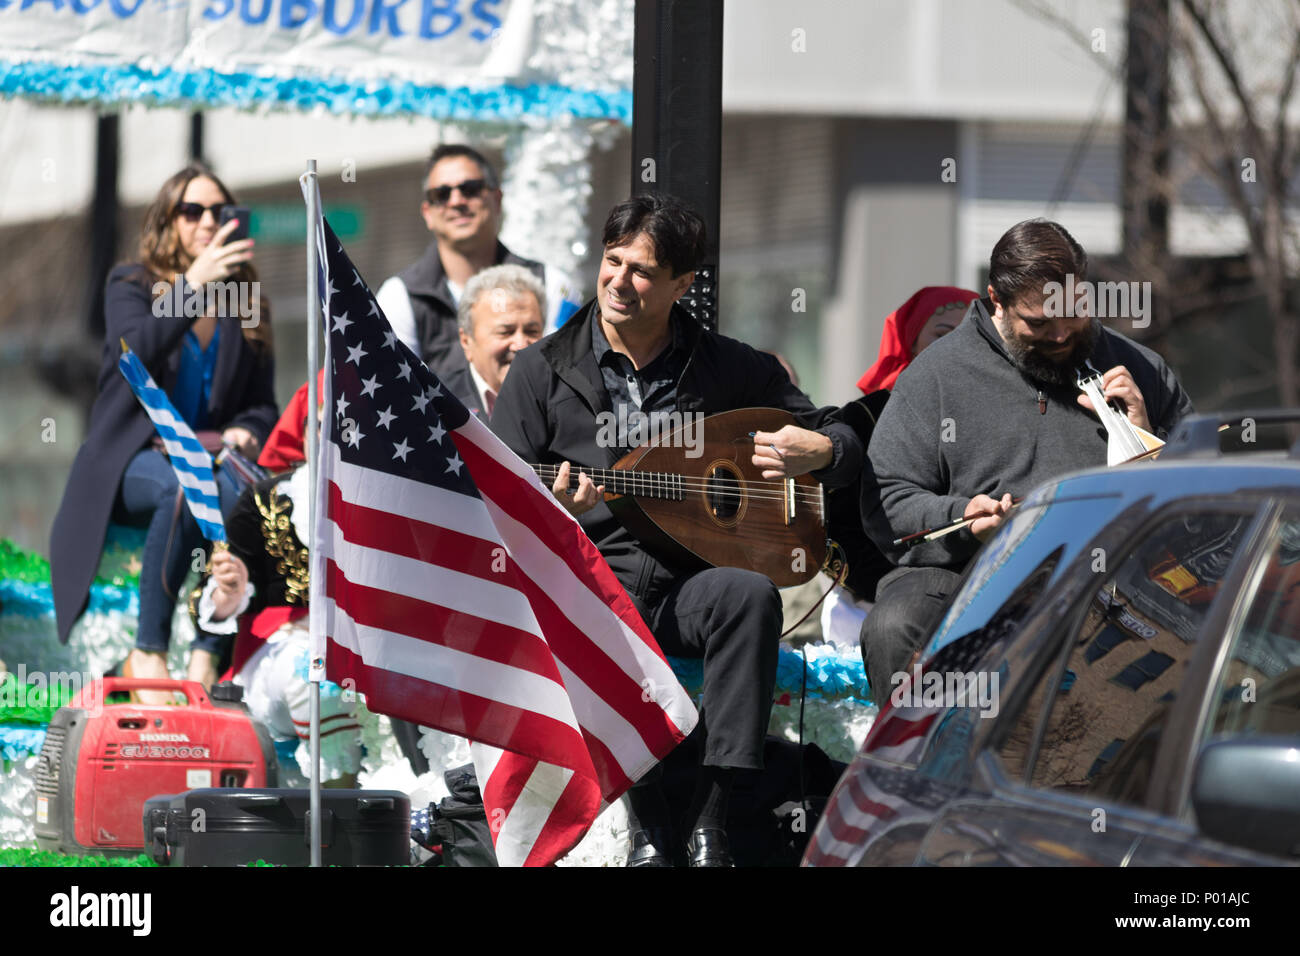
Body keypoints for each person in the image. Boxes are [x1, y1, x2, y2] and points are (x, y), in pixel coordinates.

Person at [490, 194, 863, 866]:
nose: (619, 281)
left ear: (682, 285)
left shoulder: (726, 367)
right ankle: (645, 826)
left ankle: (713, 823)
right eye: (613, 262)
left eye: (641, 271)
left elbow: (835, 430)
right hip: (596, 578)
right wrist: (555, 515)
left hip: (691, 577)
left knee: (749, 596)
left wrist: (824, 450)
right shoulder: (542, 370)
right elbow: (496, 496)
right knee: (600, 604)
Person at [858, 219, 1195, 704]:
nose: (1060, 335)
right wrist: (964, 519)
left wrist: (1147, 439)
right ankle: (917, 769)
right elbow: (887, 498)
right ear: (997, 299)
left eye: (1074, 314)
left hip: (1109, 577)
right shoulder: (935, 375)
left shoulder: (1139, 369)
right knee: (898, 620)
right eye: (1038, 323)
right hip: (967, 575)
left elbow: (1207, 499)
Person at [50, 163, 277, 696]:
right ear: (168, 220)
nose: (205, 221)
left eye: (219, 211)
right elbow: (134, 355)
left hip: (213, 460)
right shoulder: (129, 284)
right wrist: (193, 286)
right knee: (181, 486)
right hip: (134, 460)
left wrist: (245, 428)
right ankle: (148, 654)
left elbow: (261, 404)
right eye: (191, 210)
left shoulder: (248, 303)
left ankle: (205, 657)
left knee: (240, 499)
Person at [821, 287, 981, 647]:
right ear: (911, 342)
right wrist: (897, 586)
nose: (954, 347)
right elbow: (838, 520)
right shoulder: (867, 416)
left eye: (967, 335)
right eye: (941, 335)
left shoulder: (1003, 413)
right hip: (870, 604)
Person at [191, 465, 361, 787]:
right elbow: (210, 595)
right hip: (286, 649)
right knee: (316, 679)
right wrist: (229, 592)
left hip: (382, 649)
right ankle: (339, 820)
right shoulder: (264, 500)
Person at [375, 144, 581, 382]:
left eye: (470, 189)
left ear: (497, 198)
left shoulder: (551, 284)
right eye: (441, 194)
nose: (456, 201)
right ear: (427, 213)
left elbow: (565, 384)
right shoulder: (398, 297)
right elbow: (397, 393)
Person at [447, 263, 547, 419]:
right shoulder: (439, 406)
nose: (520, 345)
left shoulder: (566, 399)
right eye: (505, 332)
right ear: (466, 341)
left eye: (531, 331)